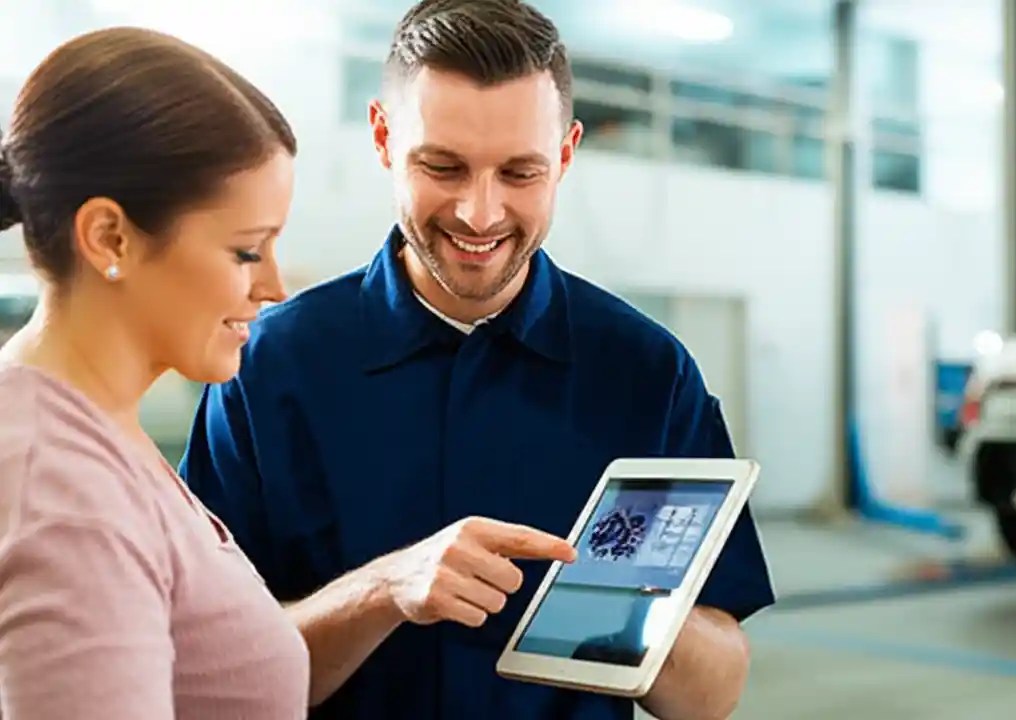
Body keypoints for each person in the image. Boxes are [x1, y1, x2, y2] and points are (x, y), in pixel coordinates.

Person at [179, 0, 777, 719]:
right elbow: (207, 680)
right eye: (444, 166)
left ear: (565, 154)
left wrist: (613, 610)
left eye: (519, 174)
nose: (479, 213)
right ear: (381, 137)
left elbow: (711, 698)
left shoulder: (647, 375)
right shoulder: (270, 370)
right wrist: (385, 591)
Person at [0, 25, 576, 719]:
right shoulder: (63, 494)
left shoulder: (96, 445)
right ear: (109, 238)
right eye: (247, 251)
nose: (273, 286)